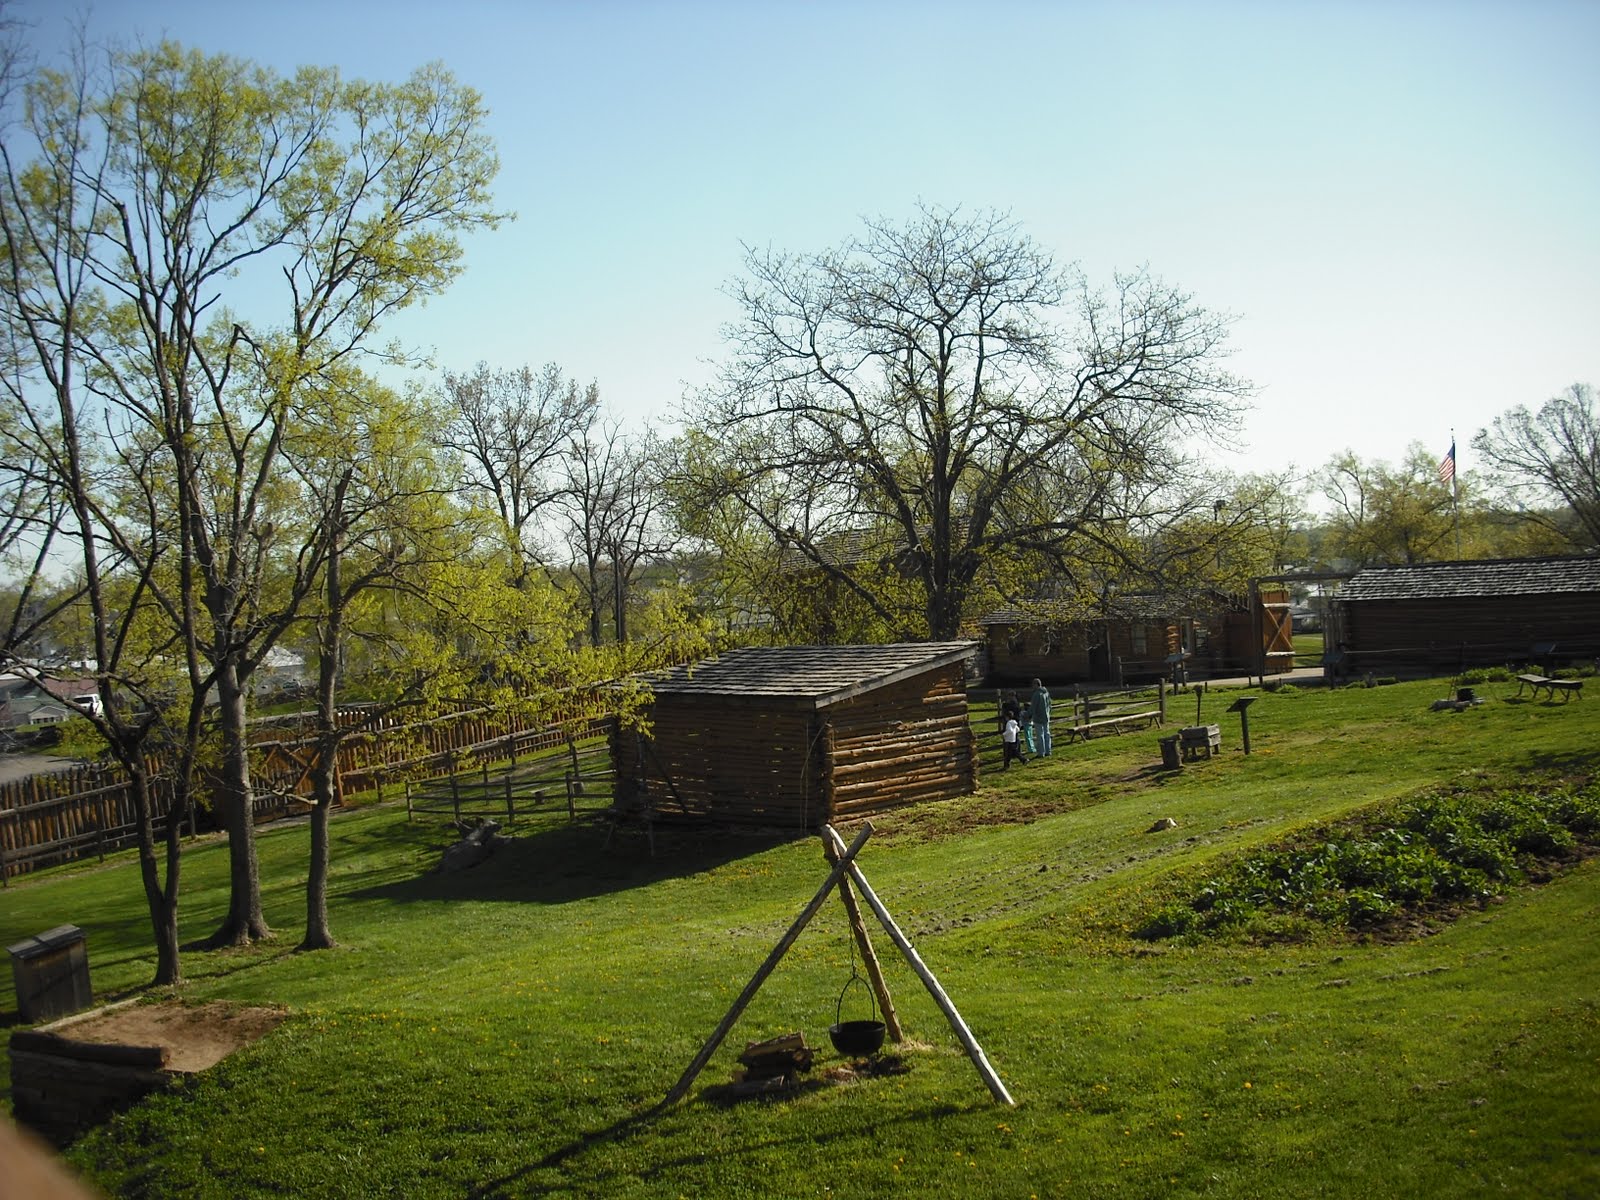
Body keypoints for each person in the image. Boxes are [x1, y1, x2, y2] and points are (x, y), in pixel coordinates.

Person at [1029, 677, 1052, 757]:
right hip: (1046, 716)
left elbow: (1033, 707)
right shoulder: (1046, 693)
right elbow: (1049, 704)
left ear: (1036, 685)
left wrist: (1029, 715)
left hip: (1038, 717)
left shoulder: (1036, 694)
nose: (1032, 686)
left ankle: (1041, 752)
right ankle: (1048, 750)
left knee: (1040, 735)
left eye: (1033, 684)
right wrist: (1049, 712)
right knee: (1047, 734)